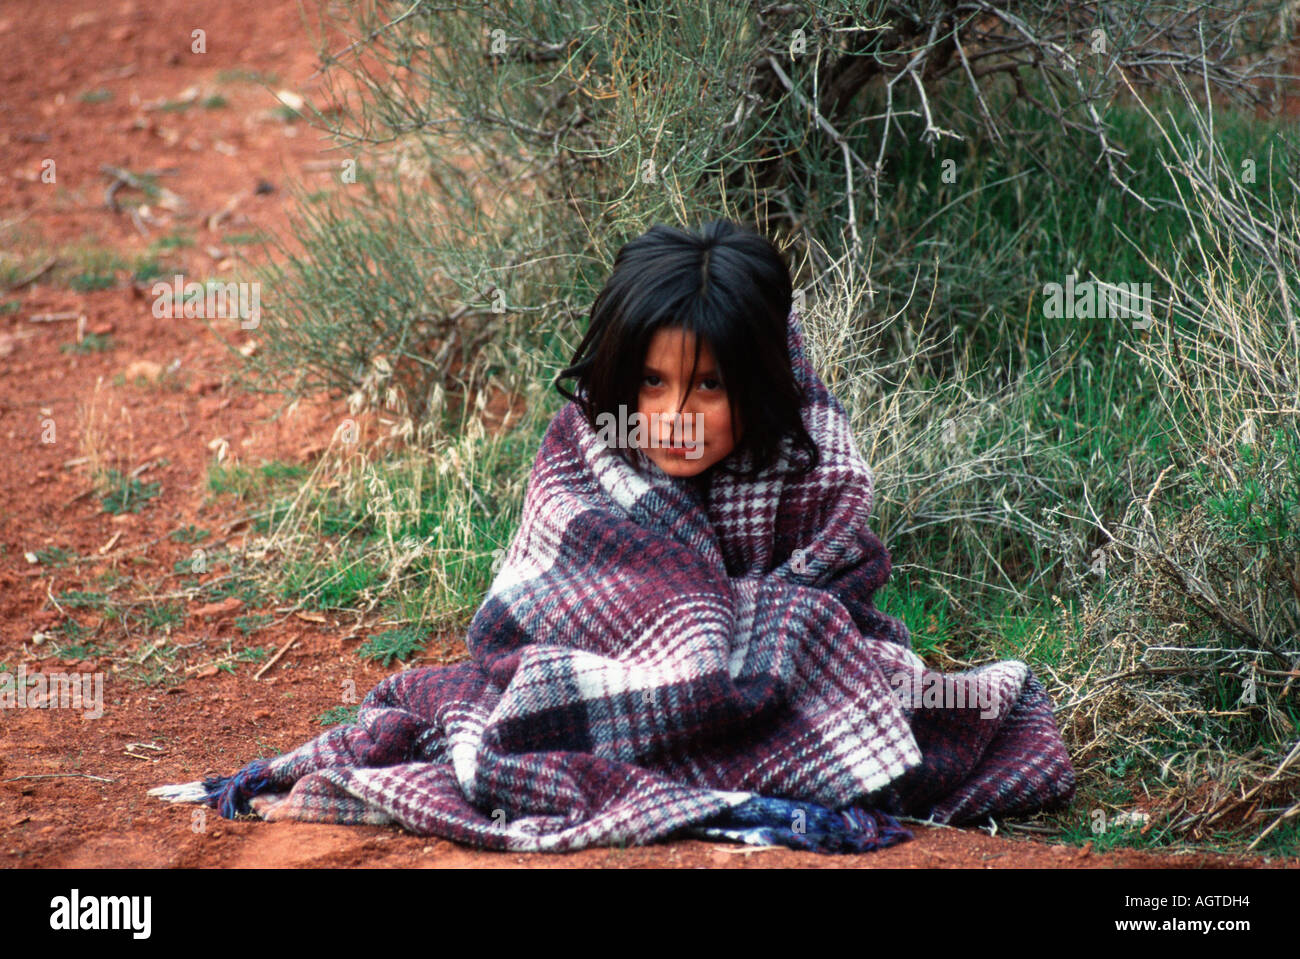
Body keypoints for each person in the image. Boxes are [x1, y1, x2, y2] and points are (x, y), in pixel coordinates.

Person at [554, 220, 820, 492]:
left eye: (710, 385)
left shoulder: (825, 483)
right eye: (652, 381)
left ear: (764, 384)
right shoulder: (568, 482)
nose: (676, 418)